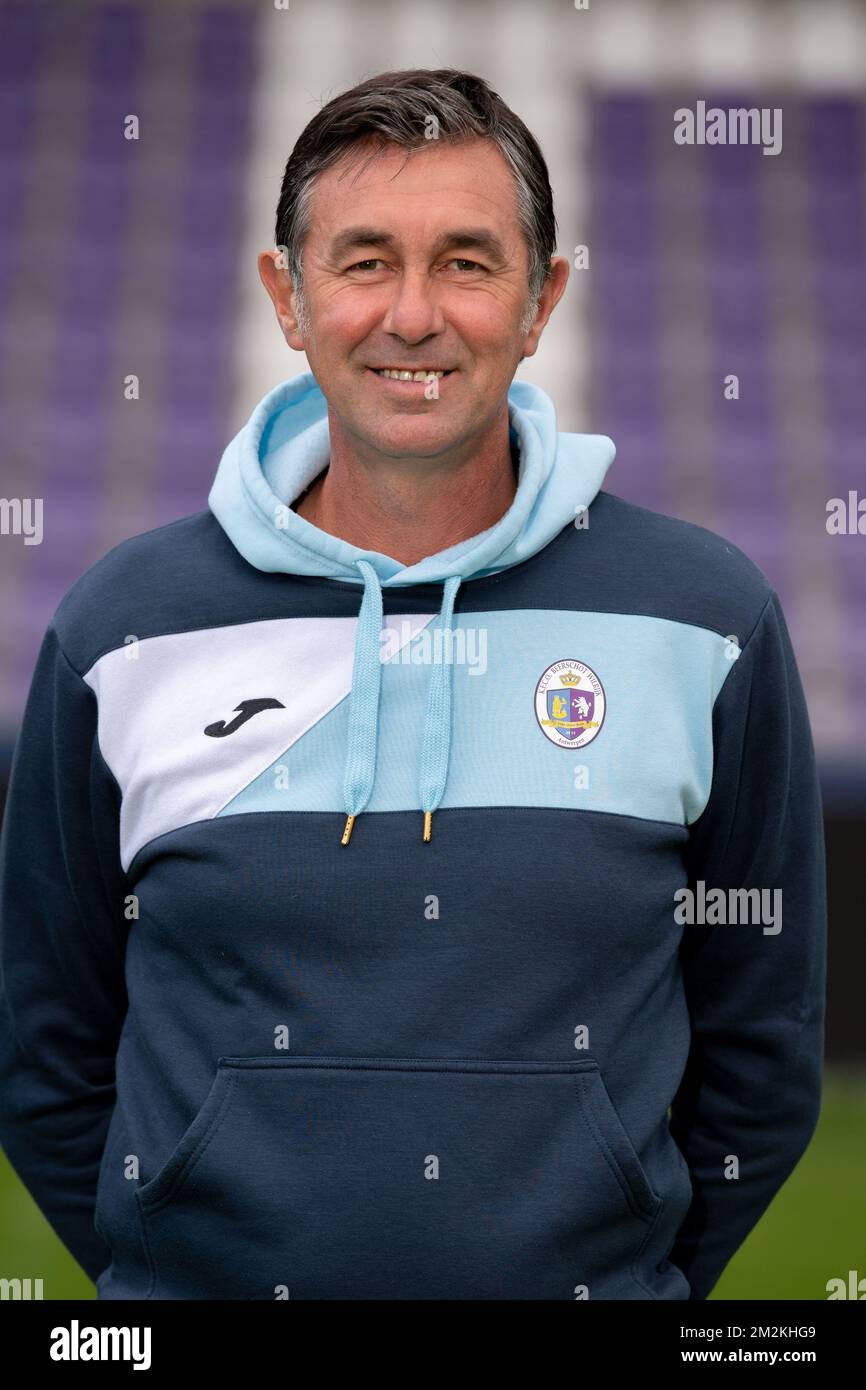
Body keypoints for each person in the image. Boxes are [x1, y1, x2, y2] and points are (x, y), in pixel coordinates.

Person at [0, 68, 826, 1301]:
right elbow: (43, 1045)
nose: (413, 314)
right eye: (364, 260)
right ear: (287, 295)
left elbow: (761, 1053)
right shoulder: (121, 628)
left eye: (468, 262)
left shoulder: (703, 619)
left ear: (542, 300)